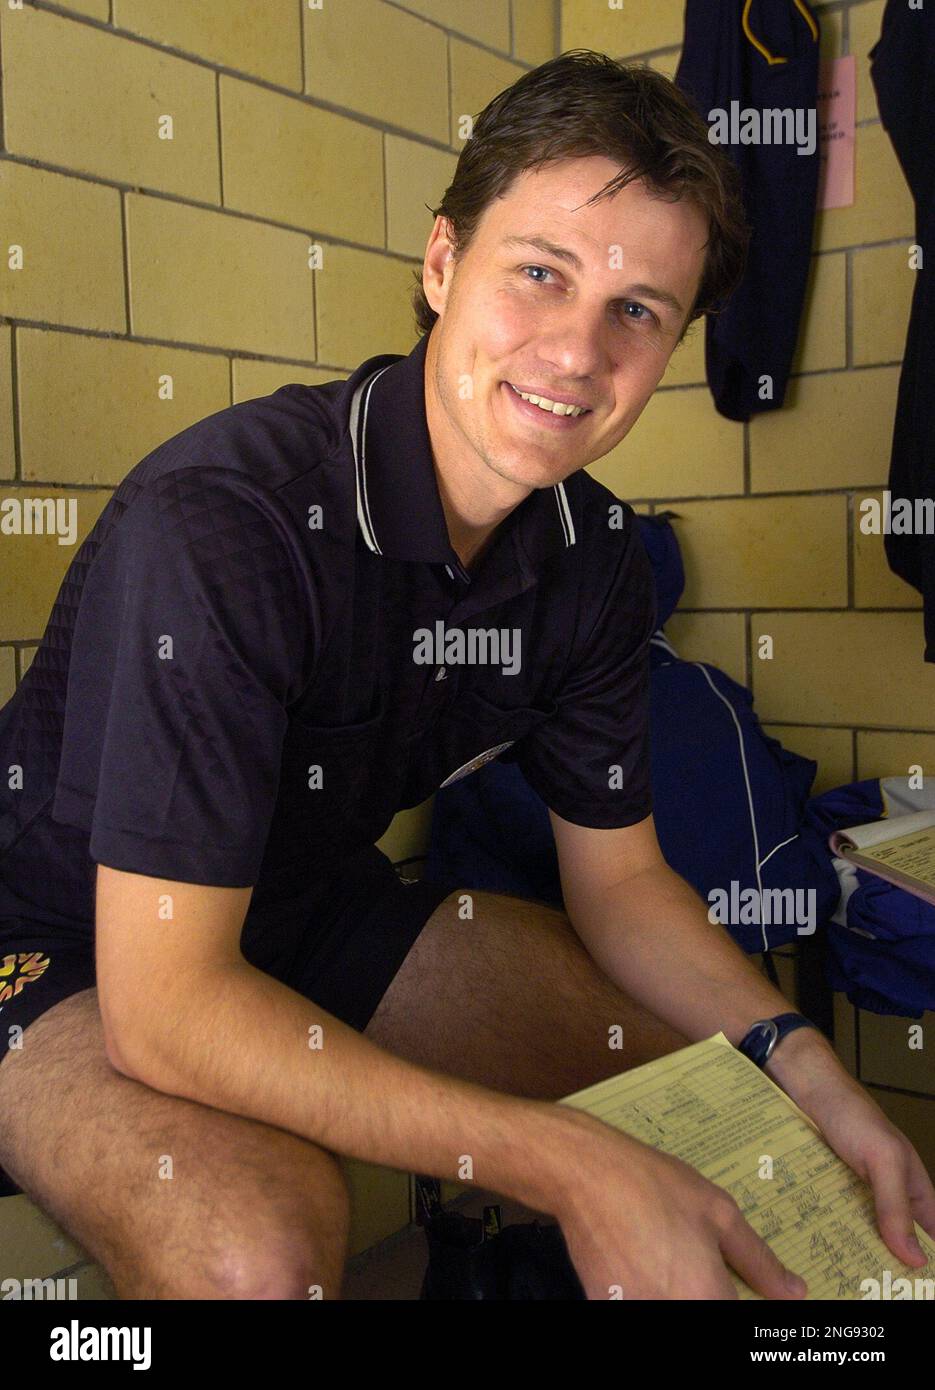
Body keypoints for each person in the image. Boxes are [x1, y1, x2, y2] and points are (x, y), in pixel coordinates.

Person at [1, 51, 932, 1302]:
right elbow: (166, 1007)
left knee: (708, 1110)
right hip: (62, 940)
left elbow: (622, 883)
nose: (576, 350)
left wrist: (803, 1064)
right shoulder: (228, 519)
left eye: (638, 310)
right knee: (254, 1251)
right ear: (442, 265)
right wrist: (560, 1161)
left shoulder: (592, 557)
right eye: (539, 271)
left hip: (298, 900)